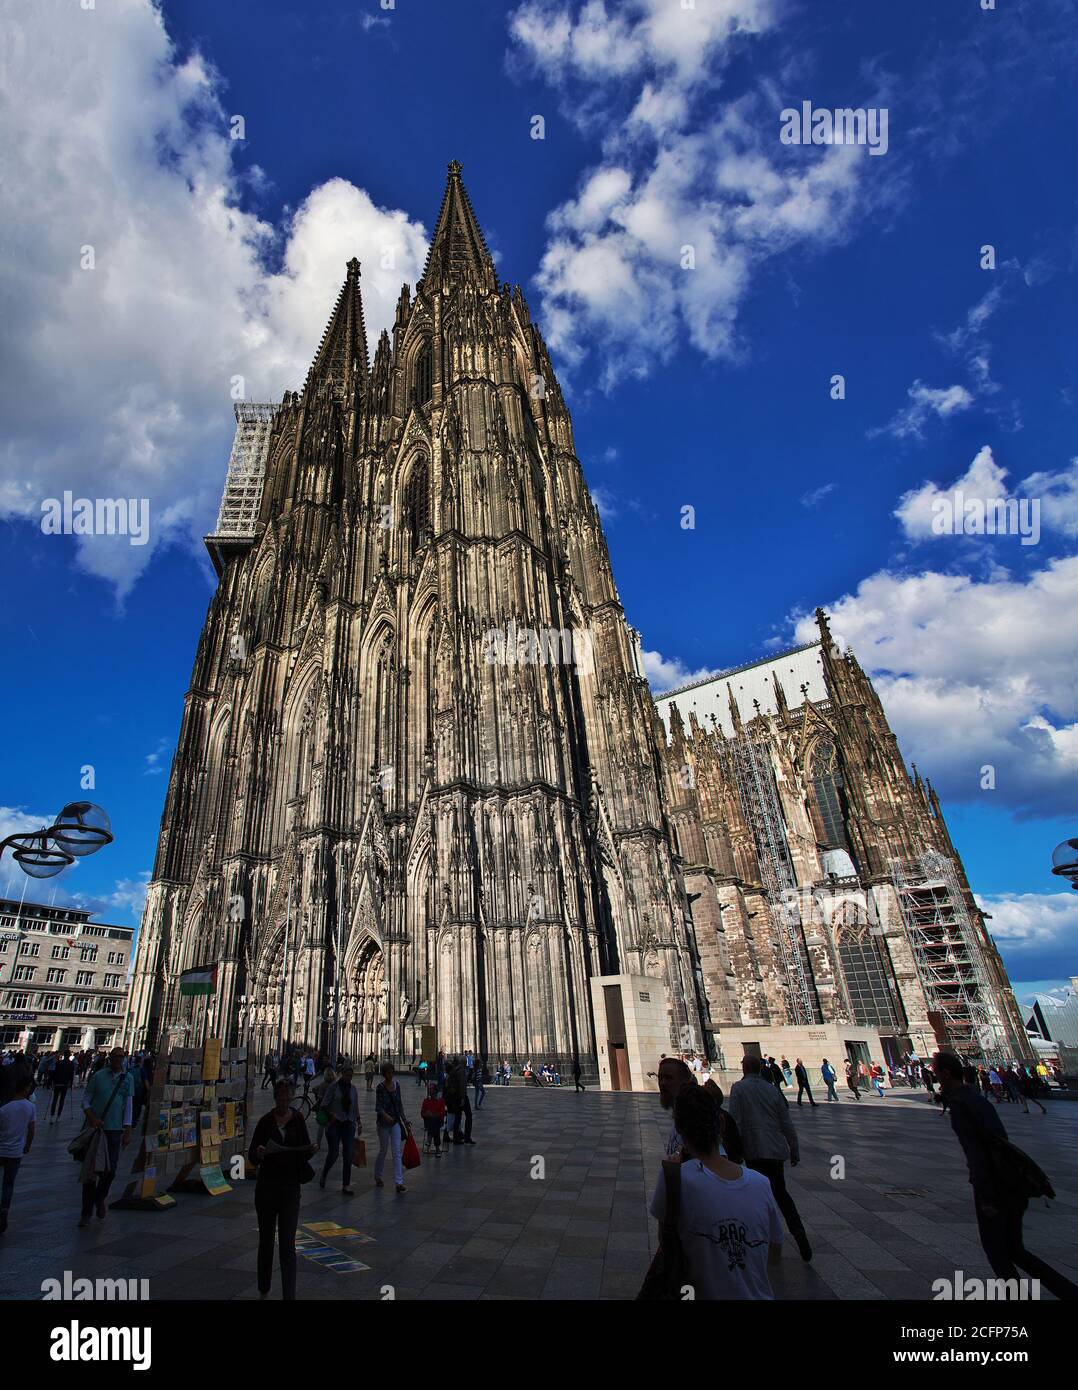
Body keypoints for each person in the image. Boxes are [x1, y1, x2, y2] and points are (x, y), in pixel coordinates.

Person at [933, 1050, 1078, 1301]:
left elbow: (978, 1153)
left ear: (946, 1073)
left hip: (995, 1187)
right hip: (1011, 1182)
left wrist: (986, 1196)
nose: (936, 1078)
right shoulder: (976, 1099)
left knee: (998, 1253)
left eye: (937, 1073)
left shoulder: (961, 1104)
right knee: (1015, 1250)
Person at [649, 1084, 783, 1300]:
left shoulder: (675, 1178)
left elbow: (666, 1243)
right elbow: (774, 1254)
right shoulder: (761, 1183)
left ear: (679, 1128)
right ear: (721, 1123)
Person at [727, 1055, 812, 1262]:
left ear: (745, 1068)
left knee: (755, 1194)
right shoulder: (771, 1089)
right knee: (781, 1193)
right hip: (774, 1149)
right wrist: (794, 1148)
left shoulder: (739, 1088)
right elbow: (786, 1122)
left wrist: (733, 1151)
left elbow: (734, 1121)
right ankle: (798, 1231)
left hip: (753, 1149)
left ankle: (760, 1240)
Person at [249, 1079, 316, 1300]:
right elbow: (251, 1154)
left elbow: (304, 1149)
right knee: (266, 1241)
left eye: (288, 1098)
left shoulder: (297, 1120)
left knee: (288, 1244)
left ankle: (289, 1296)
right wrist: (259, 1152)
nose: (285, 1102)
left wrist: (311, 1149)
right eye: (281, 1098)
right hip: (267, 1188)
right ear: (275, 1098)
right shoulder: (265, 1122)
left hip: (290, 1188)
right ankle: (264, 1288)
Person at [78, 1046, 134, 1228]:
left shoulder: (128, 1079)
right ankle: (86, 1213)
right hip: (95, 1129)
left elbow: (129, 1105)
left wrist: (128, 1129)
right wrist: (92, 1117)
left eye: (121, 1057)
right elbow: (86, 1099)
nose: (118, 1060)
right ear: (110, 1058)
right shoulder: (98, 1076)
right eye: (115, 1056)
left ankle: (100, 1198)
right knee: (90, 1172)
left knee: (111, 1170)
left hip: (115, 1130)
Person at [0, 1073, 35, 1235]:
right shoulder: (30, 1107)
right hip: (15, 1152)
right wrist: (27, 1145)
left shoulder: (4, 1109)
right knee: (9, 1183)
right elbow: (31, 1129)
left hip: (2, 1149)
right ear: (27, 1089)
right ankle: (4, 1209)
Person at [319, 1066, 360, 1195]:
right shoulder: (333, 1087)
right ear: (342, 1074)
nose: (349, 1078)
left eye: (350, 1076)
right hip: (334, 1124)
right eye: (347, 1075)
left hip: (348, 1123)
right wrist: (332, 1115)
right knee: (334, 1153)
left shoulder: (353, 1089)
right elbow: (324, 1104)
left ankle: (346, 1184)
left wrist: (359, 1121)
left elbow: (356, 1106)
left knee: (348, 1154)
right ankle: (324, 1173)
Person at [374, 1062, 410, 1194]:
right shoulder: (380, 1087)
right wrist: (385, 1115)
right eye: (388, 1072)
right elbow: (378, 1106)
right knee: (383, 1150)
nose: (391, 1074)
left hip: (395, 1122)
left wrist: (405, 1120)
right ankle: (378, 1175)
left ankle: (399, 1182)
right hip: (383, 1124)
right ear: (384, 1074)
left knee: (396, 1152)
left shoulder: (397, 1086)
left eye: (392, 1071)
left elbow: (399, 1105)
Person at [48, 1050, 74, 1121]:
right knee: (62, 1100)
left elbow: (55, 1073)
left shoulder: (59, 1062)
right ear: (69, 1055)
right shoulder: (71, 1063)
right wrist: (71, 1083)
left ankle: (51, 1116)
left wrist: (53, 1082)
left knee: (54, 1100)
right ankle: (58, 1116)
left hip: (57, 1083)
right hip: (65, 1084)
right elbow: (71, 1075)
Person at [421, 1083, 446, 1155]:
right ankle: (437, 1148)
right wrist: (426, 1114)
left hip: (438, 1120)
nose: (429, 1091)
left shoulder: (440, 1100)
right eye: (429, 1089)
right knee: (435, 1126)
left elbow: (442, 1113)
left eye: (431, 1089)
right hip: (429, 1121)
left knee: (434, 1122)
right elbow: (422, 1113)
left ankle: (429, 1138)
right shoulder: (426, 1101)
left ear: (435, 1090)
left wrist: (434, 1115)